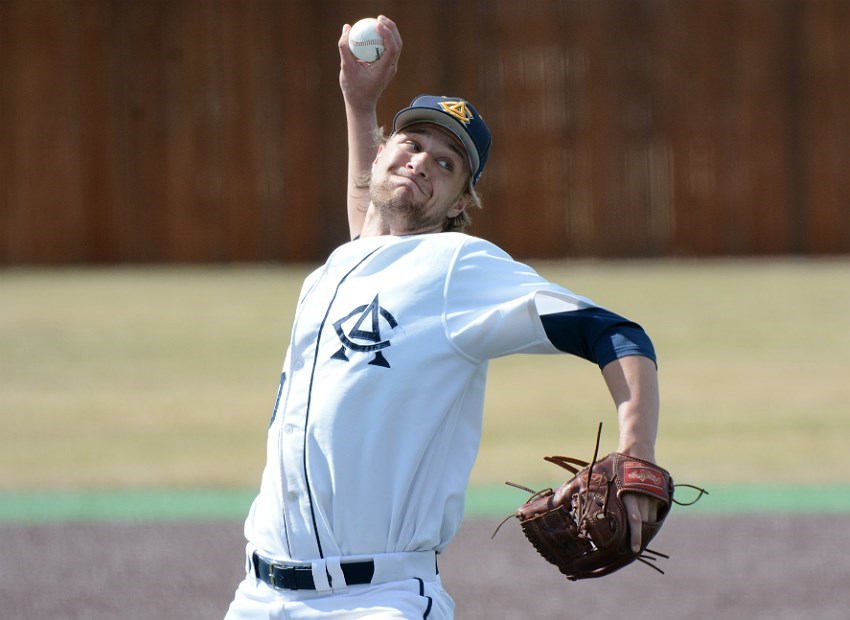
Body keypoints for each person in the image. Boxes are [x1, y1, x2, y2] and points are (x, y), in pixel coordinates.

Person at [225, 15, 660, 620]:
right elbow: (369, 230)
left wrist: (636, 453)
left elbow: (616, 332)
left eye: (447, 164)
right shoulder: (340, 268)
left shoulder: (458, 267)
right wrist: (360, 102)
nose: (422, 162)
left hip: (376, 602)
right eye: (412, 144)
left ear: (461, 204)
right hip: (259, 597)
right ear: (382, 152)